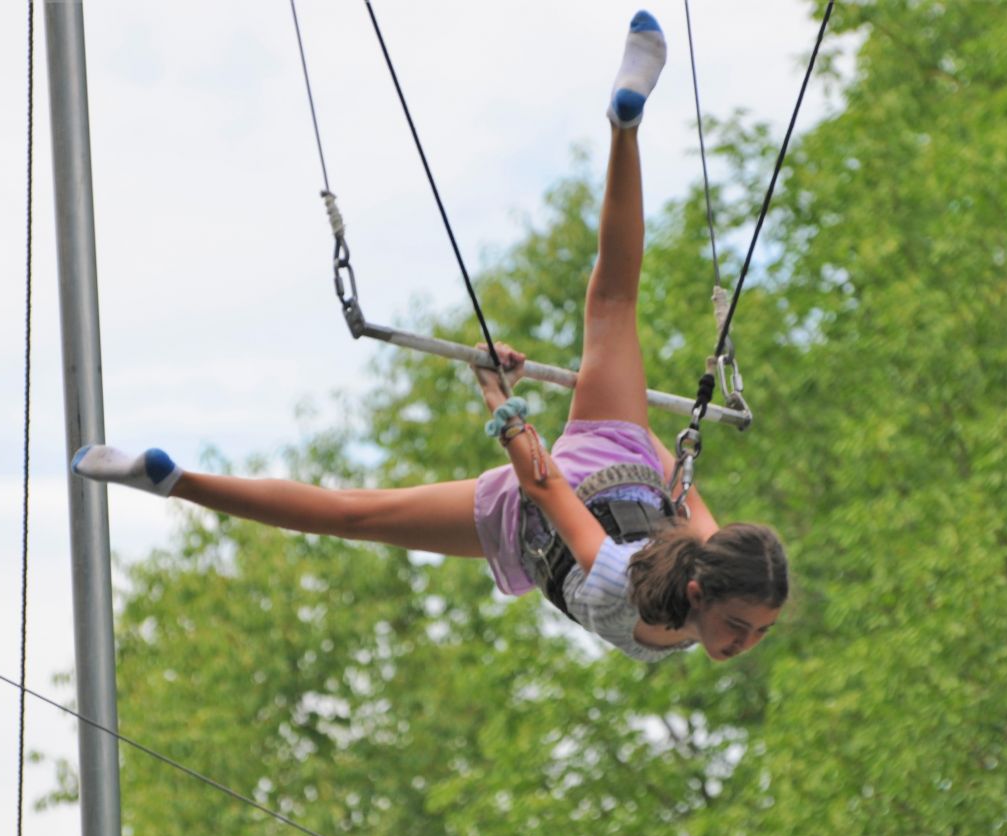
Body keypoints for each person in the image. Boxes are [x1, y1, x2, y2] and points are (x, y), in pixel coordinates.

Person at [72, 10, 788, 663]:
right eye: (742, 626)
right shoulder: (614, 582)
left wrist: (651, 440)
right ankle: (177, 484)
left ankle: (625, 128)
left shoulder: (702, 553)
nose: (745, 642)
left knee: (614, 301)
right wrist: (496, 396)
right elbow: (542, 485)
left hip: (620, 460)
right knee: (356, 514)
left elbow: (672, 488)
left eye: (755, 631)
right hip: (545, 505)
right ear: (699, 594)